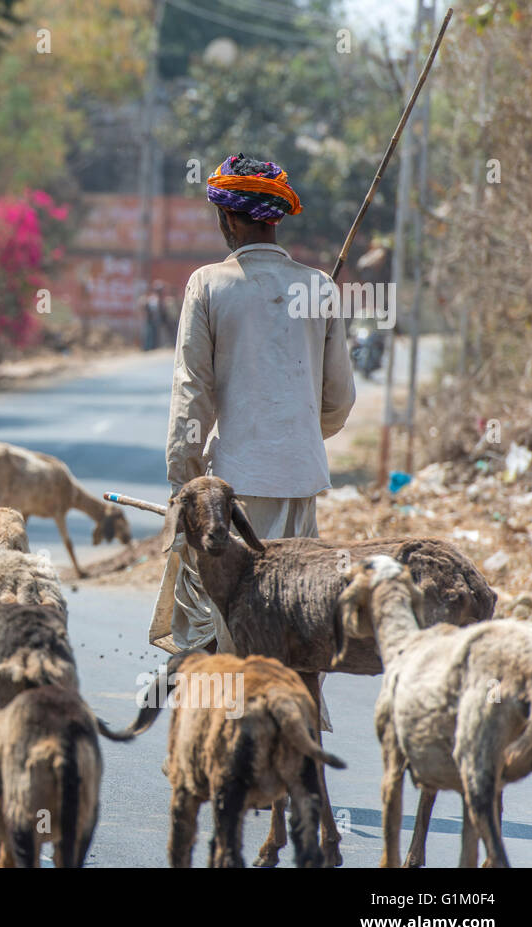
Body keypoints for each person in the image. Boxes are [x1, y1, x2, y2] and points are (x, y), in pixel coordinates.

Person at [150, 153, 355, 661]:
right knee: (293, 621)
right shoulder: (319, 288)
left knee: (229, 633)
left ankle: (236, 725)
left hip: (234, 494)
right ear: (274, 217)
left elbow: (191, 392)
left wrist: (185, 482)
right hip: (303, 481)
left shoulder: (208, 284)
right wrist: (295, 436)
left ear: (230, 218)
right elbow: (339, 399)